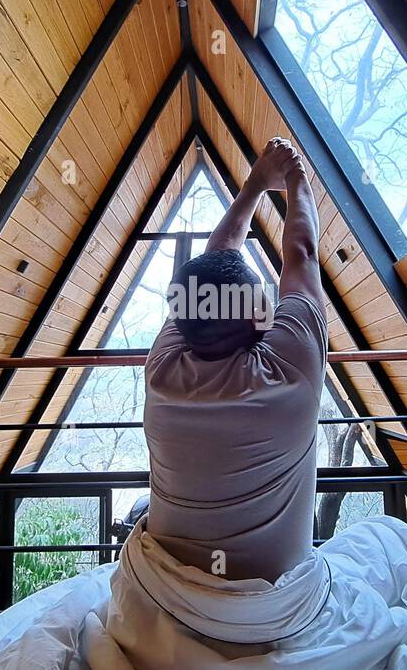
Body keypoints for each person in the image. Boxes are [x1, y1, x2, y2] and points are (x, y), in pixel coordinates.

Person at [140, 138, 326, 583]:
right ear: (260, 317)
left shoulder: (162, 369)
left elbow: (209, 272)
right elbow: (301, 253)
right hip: (271, 603)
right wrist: (295, 176)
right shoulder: (289, 369)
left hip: (166, 589)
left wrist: (257, 184)